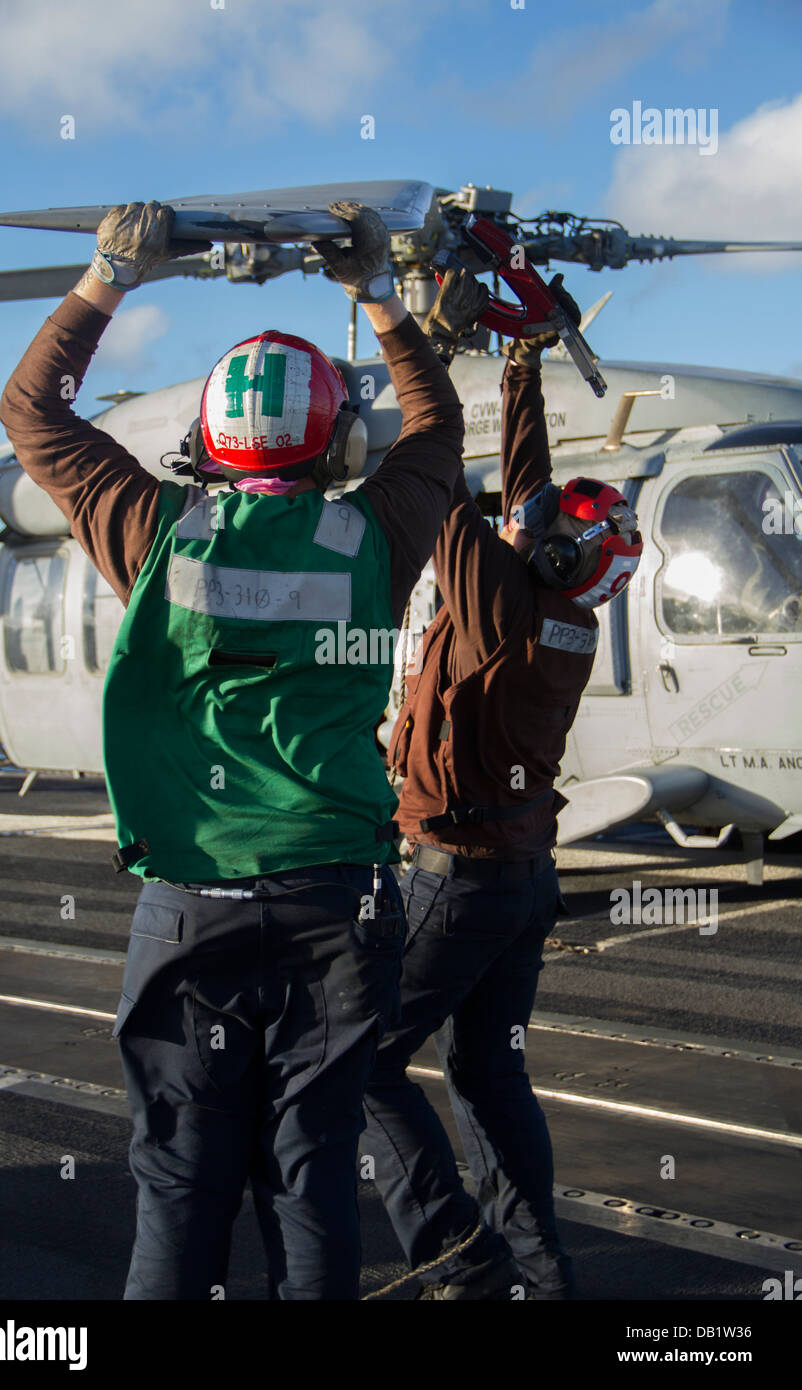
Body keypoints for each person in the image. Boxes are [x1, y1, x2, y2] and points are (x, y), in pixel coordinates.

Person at [0, 198, 469, 1300]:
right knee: (312, 1173)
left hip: (192, 905)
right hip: (337, 902)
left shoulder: (157, 529)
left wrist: (110, 277)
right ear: (341, 447)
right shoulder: (375, 534)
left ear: (208, 443)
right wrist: (379, 296)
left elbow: (31, 412)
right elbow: (438, 427)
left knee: (177, 1179)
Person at [362, 272, 643, 1298]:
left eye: (542, 526)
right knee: (488, 1071)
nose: (525, 521)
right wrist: (521, 362)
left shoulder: (492, 603)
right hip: (522, 874)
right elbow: (529, 489)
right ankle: (540, 1271)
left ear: (556, 552)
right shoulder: (563, 613)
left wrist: (428, 350)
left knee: (362, 1062)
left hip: (456, 877)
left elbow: (435, 471)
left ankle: (456, 1257)